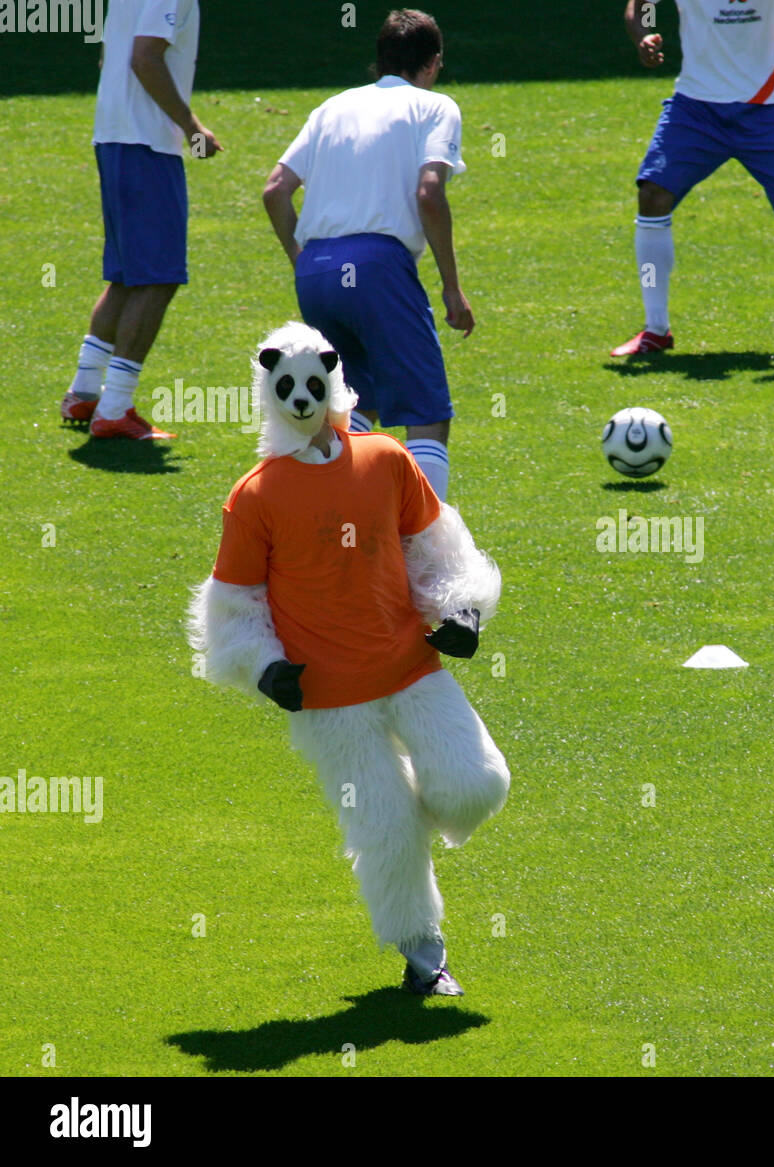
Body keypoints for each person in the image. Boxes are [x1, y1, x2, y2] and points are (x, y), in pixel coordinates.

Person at [188, 321, 509, 997]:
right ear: (268, 387)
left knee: (477, 784)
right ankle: (426, 958)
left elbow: (438, 547)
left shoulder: (387, 459)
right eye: (287, 387)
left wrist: (461, 611)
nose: (301, 399)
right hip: (330, 700)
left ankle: (411, 820)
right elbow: (234, 604)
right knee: (384, 829)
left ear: (331, 378)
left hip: (411, 666)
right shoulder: (254, 496)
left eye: (312, 385)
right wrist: (265, 667)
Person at [262, 8, 469, 499]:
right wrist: (451, 286)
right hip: (378, 270)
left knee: (351, 408)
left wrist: (303, 260)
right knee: (426, 414)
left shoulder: (330, 108)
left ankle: (345, 535)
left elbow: (274, 191)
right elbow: (429, 194)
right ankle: (426, 550)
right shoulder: (435, 107)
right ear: (433, 63)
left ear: (378, 61)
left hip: (317, 271)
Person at [612, 0, 774, 356]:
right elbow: (643, 5)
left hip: (770, 108)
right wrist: (644, 34)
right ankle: (656, 329)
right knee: (652, 196)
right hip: (696, 109)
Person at [60, 0, 221, 440]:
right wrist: (192, 128)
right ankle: (113, 409)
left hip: (114, 137)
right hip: (145, 144)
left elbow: (109, 56)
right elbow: (144, 56)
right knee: (158, 278)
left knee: (128, 276)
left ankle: (85, 392)